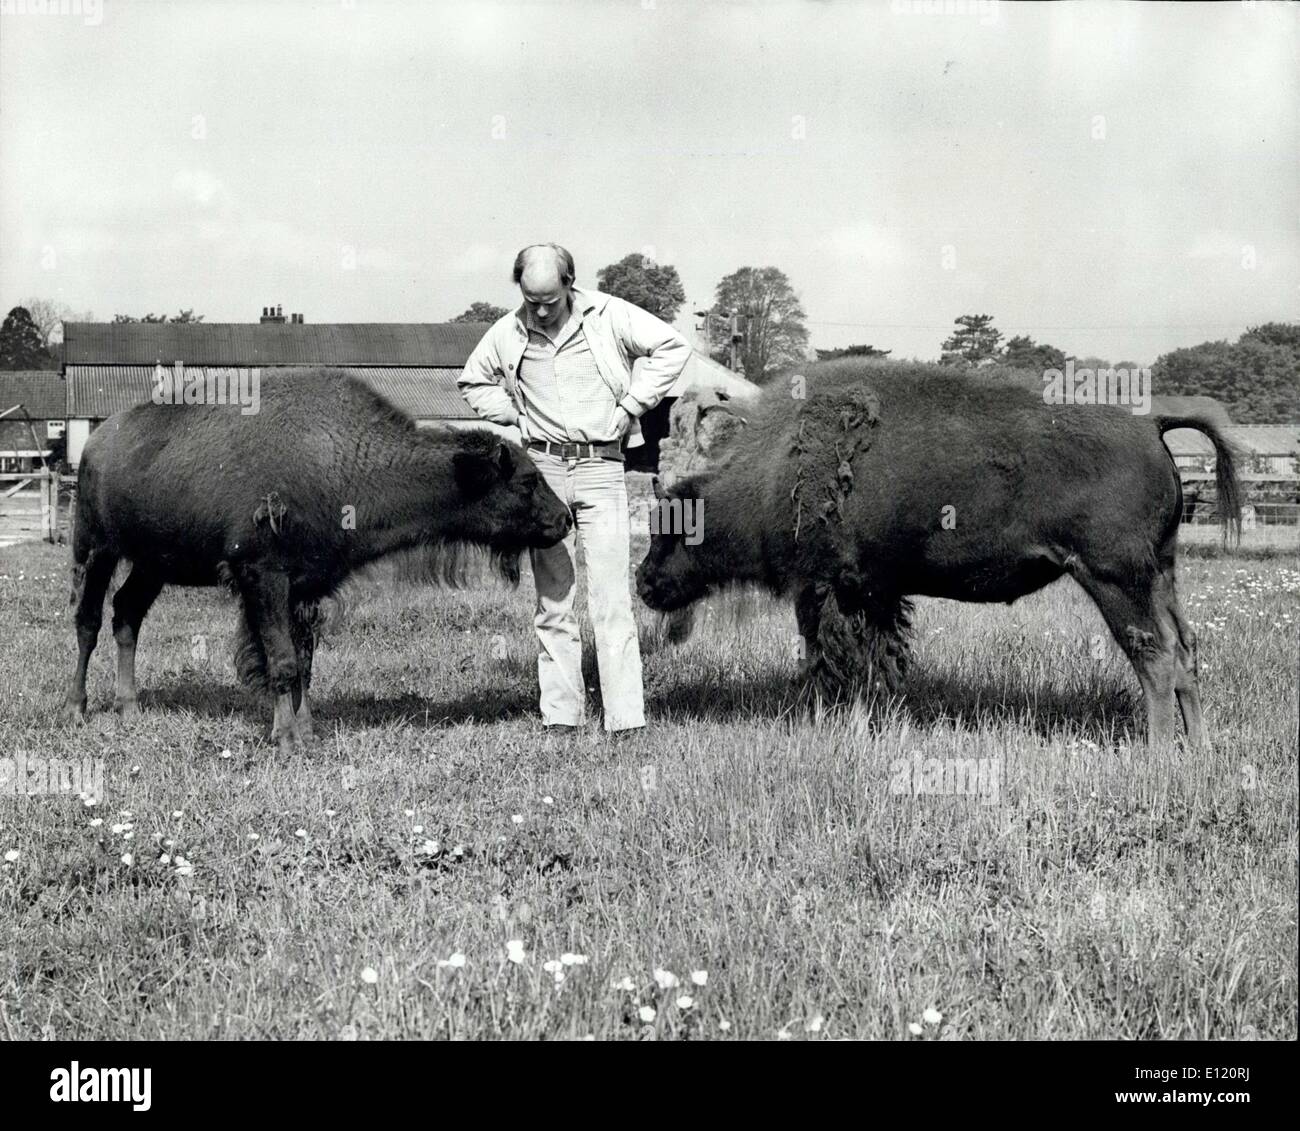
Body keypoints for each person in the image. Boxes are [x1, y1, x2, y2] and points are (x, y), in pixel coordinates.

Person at [458, 243, 690, 734]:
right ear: (520, 287)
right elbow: (473, 381)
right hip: (543, 477)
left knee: (610, 601)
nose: (540, 309)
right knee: (553, 602)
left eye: (549, 298)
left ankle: (625, 720)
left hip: (603, 469)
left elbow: (672, 347)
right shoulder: (507, 331)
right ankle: (561, 718)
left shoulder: (609, 315)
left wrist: (632, 404)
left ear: (569, 282)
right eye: (530, 298)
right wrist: (513, 414)